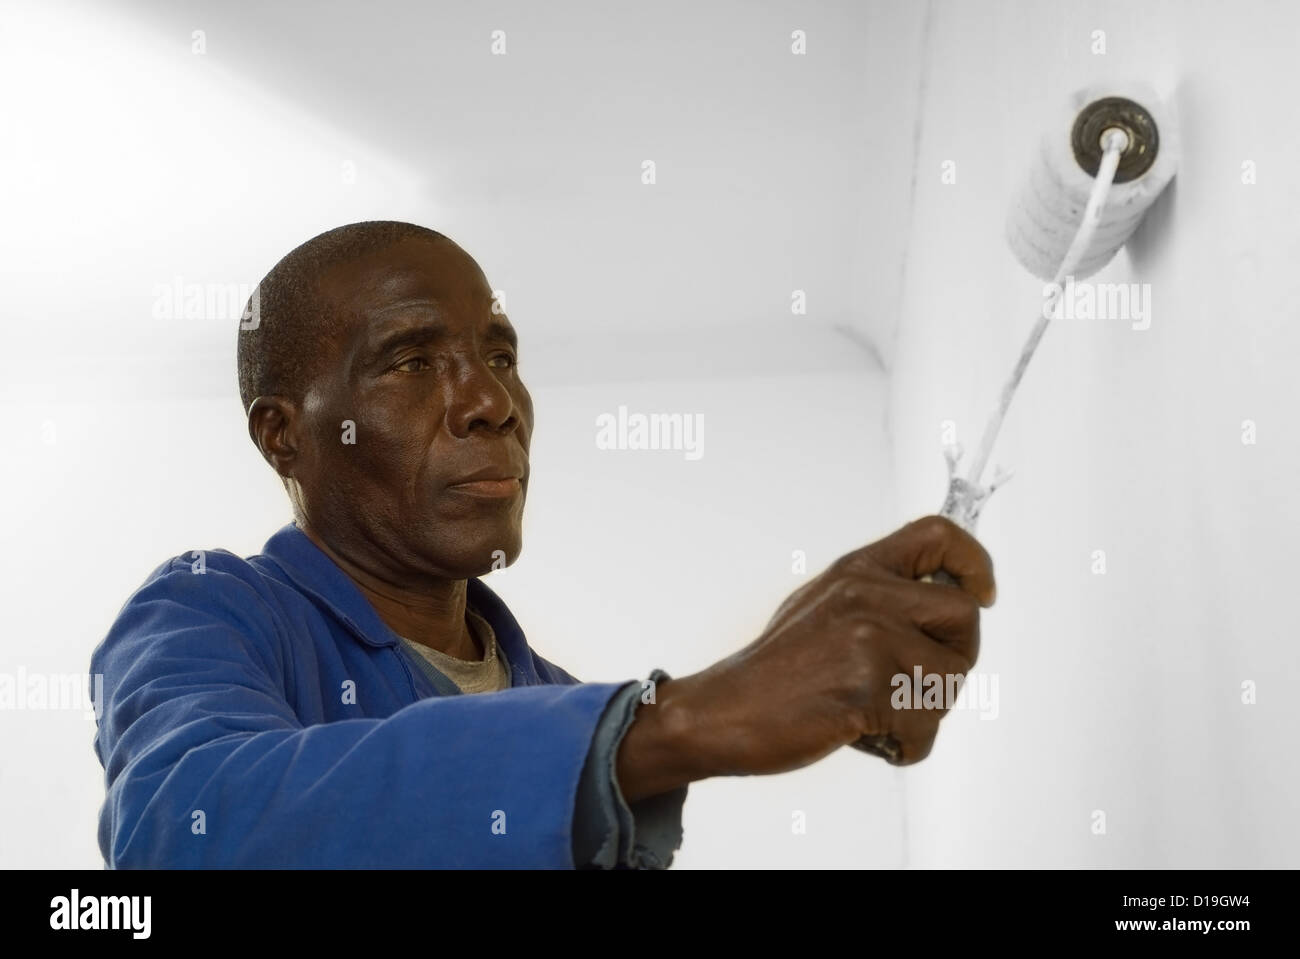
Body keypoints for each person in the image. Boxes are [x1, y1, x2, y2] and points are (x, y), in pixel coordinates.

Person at [90, 221, 996, 869]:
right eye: (412, 361)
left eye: (502, 356)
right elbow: (185, 824)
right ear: (284, 435)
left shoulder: (563, 699)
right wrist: (688, 718)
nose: (493, 401)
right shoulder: (214, 608)